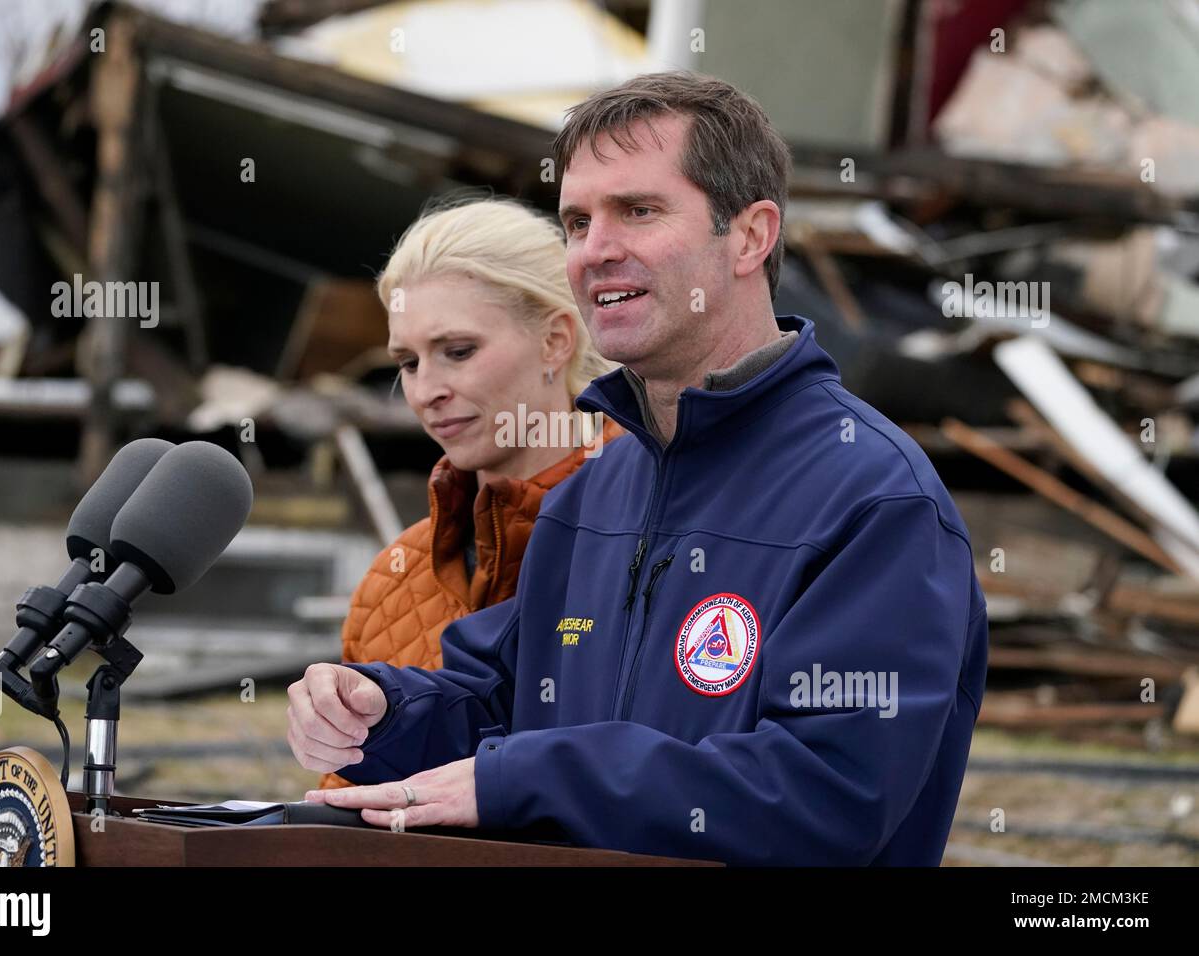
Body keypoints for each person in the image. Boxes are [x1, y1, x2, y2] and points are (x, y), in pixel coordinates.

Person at [287, 72, 988, 866]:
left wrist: (530, 777)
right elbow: (503, 712)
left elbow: (828, 795)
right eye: (578, 221)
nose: (596, 249)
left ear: (752, 236)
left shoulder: (874, 498)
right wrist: (383, 712)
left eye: (640, 211)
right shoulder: (591, 499)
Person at [293, 196, 622, 792]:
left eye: (458, 352)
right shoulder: (392, 579)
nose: (426, 390)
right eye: (408, 362)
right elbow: (346, 819)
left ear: (555, 341)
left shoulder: (660, 536)